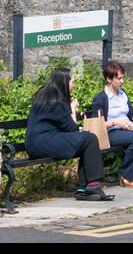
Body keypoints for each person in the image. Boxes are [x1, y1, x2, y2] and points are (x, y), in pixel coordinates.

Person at [24, 67, 114, 201]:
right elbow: (71, 128)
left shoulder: (43, 94)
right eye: (73, 82)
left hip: (34, 143)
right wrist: (73, 108)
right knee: (90, 139)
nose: (74, 85)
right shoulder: (58, 101)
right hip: (44, 142)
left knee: (86, 142)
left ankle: (85, 188)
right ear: (65, 82)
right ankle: (93, 186)